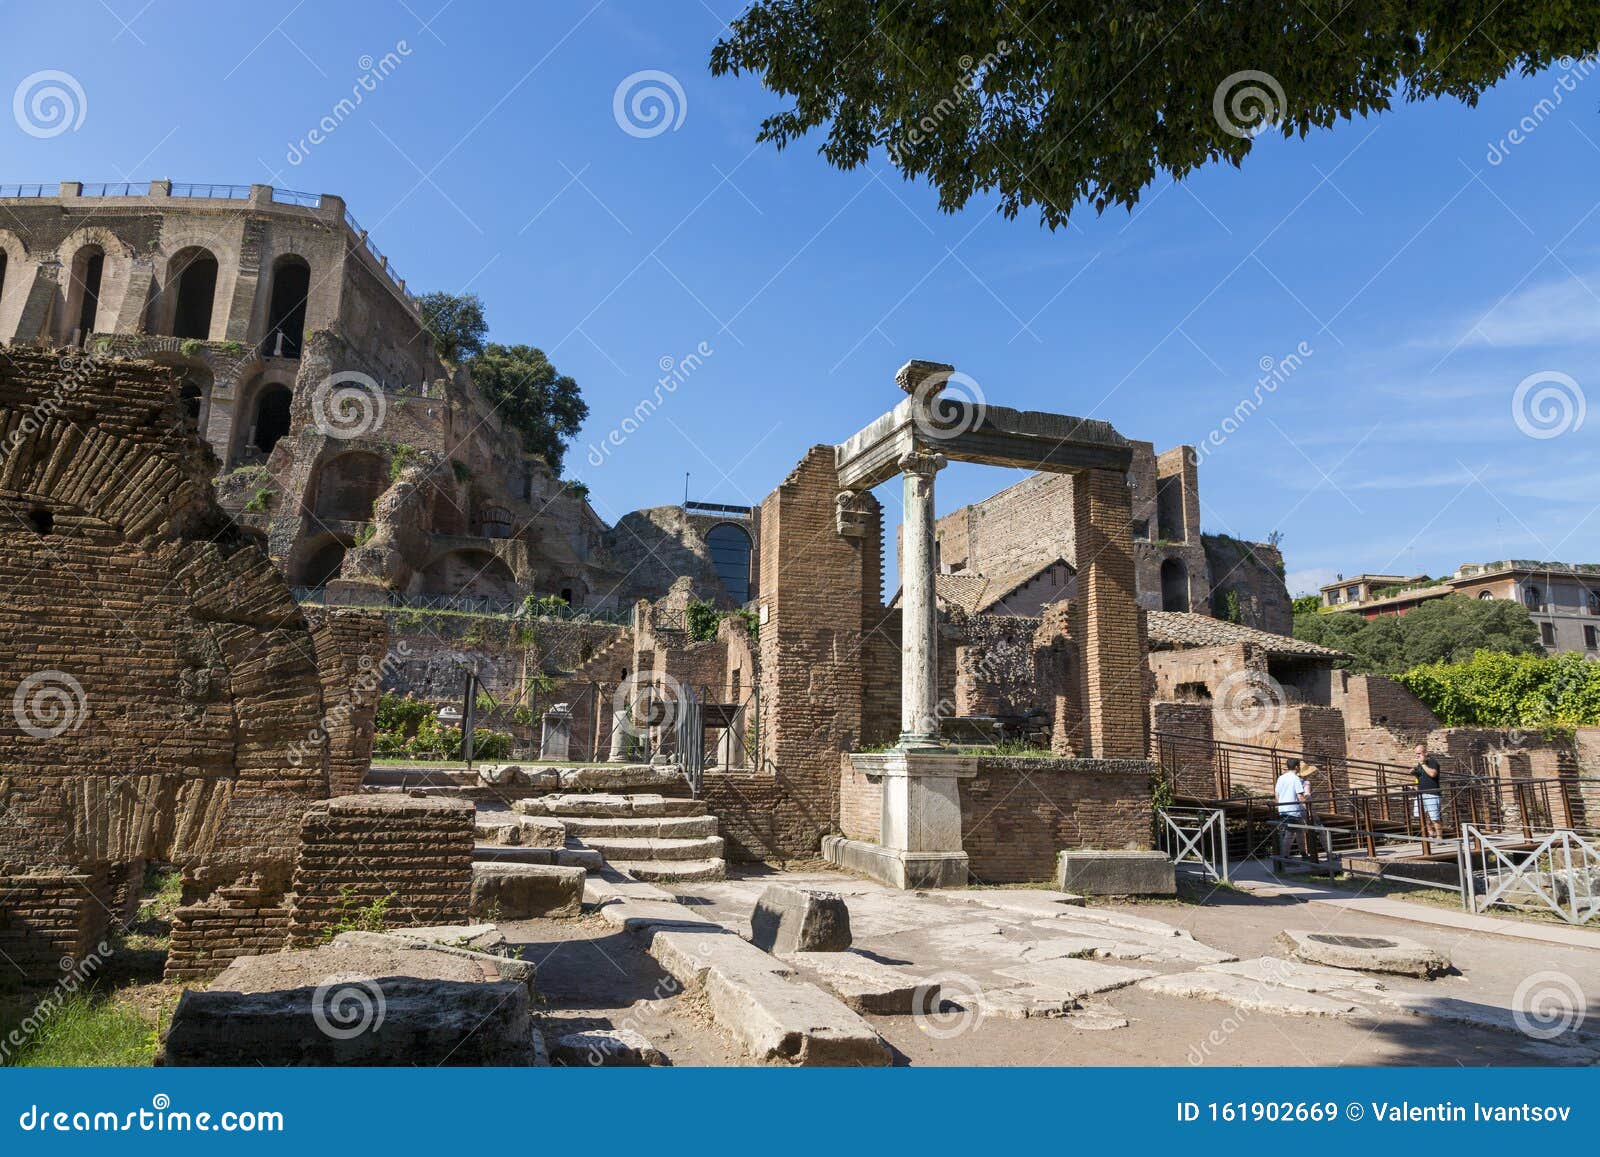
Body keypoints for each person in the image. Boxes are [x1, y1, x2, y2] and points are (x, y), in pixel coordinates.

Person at [1273, 758, 1316, 860]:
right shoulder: (1295, 779)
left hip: (1283, 809)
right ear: (1296, 767)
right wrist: (1307, 807)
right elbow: (1300, 796)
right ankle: (1285, 856)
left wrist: (1280, 806)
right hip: (1293, 810)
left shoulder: (1281, 778)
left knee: (1300, 832)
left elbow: (1276, 794)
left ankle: (1303, 853)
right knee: (1290, 833)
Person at [1411, 744, 1444, 839]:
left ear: (1425, 753)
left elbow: (1433, 774)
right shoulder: (1420, 764)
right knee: (1421, 815)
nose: (1417, 755)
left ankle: (1439, 837)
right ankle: (1430, 832)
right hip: (1421, 793)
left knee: (1434, 817)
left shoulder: (1432, 762)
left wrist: (1422, 764)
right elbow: (1421, 775)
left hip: (1432, 793)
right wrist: (1414, 772)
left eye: (1419, 753)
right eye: (1416, 754)